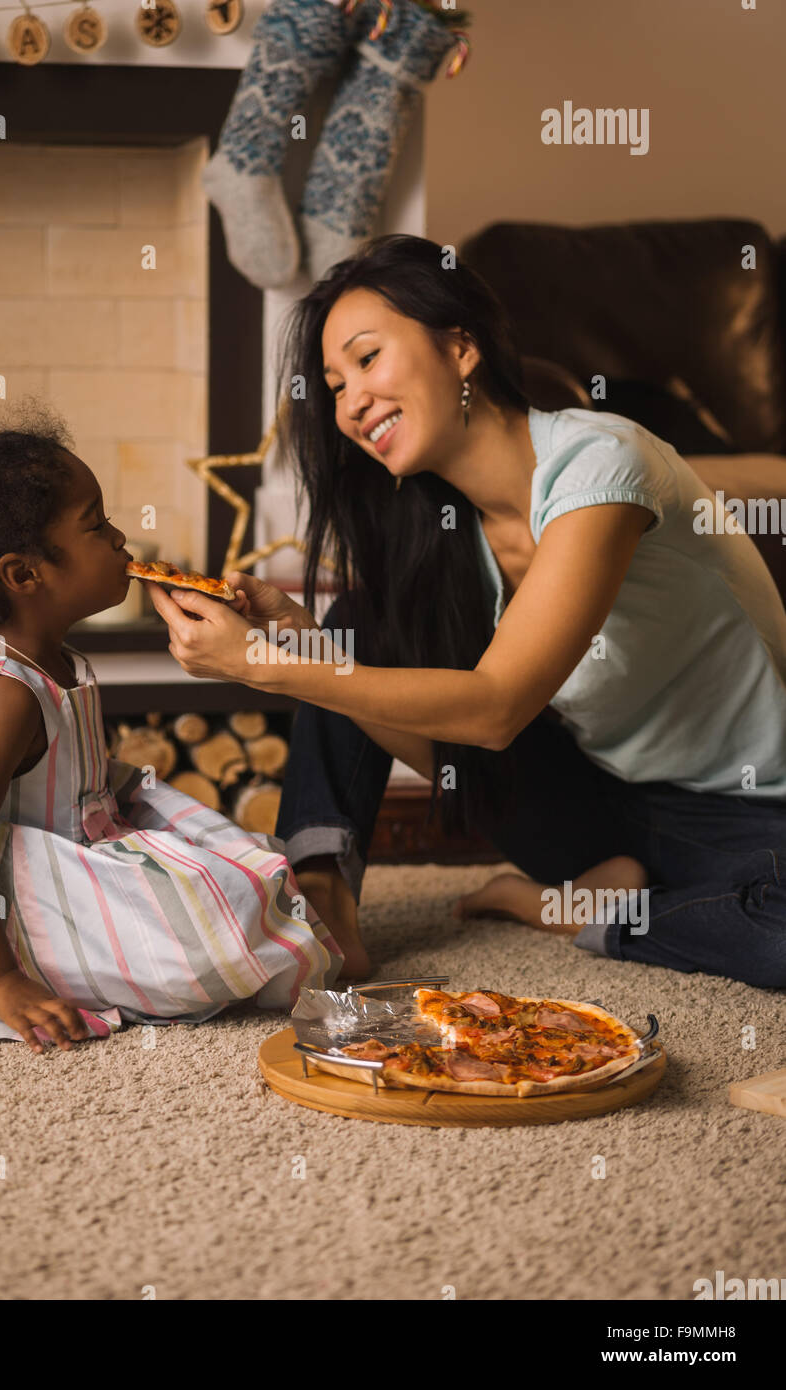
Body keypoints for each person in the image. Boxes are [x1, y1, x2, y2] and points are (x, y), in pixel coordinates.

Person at [148, 233, 786, 991]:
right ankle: (321, 900)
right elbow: (460, 741)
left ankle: (583, 911)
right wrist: (298, 648)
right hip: (592, 806)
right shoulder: (440, 535)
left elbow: (495, 709)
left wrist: (265, 666)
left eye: (365, 358)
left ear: (460, 348)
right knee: (351, 626)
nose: (350, 402)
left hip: (745, 811)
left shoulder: (602, 464)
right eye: (332, 384)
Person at [0, 407, 343, 1053]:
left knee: (240, 881)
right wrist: (3, 980)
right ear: (24, 574)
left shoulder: (56, 661)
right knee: (214, 935)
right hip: (19, 884)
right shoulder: (6, 694)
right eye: (96, 525)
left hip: (88, 842)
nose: (122, 539)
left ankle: (295, 922)